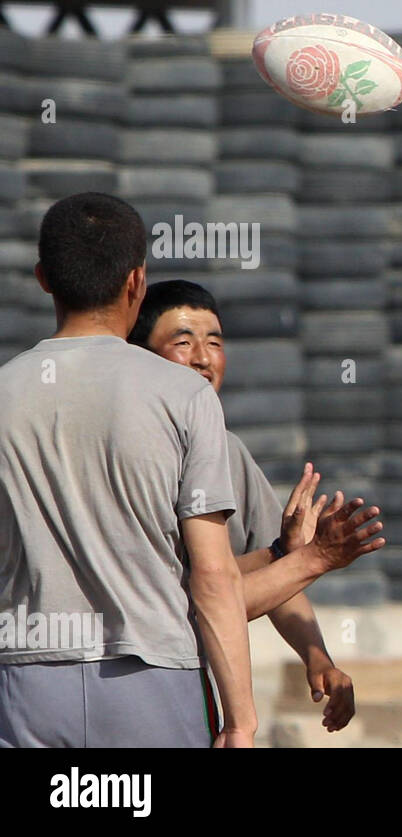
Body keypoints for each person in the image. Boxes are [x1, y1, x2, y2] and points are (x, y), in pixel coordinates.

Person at [0, 193, 254, 747]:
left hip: (26, 678)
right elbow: (213, 576)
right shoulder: (184, 395)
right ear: (137, 281)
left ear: (44, 278)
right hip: (152, 677)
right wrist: (239, 722)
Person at [129, 279, 379, 733]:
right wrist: (310, 558)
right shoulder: (128, 448)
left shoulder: (228, 453)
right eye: (183, 342)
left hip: (187, 679)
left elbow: (255, 579)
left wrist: (316, 655)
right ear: (139, 356)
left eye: (214, 342)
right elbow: (195, 595)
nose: (203, 358)